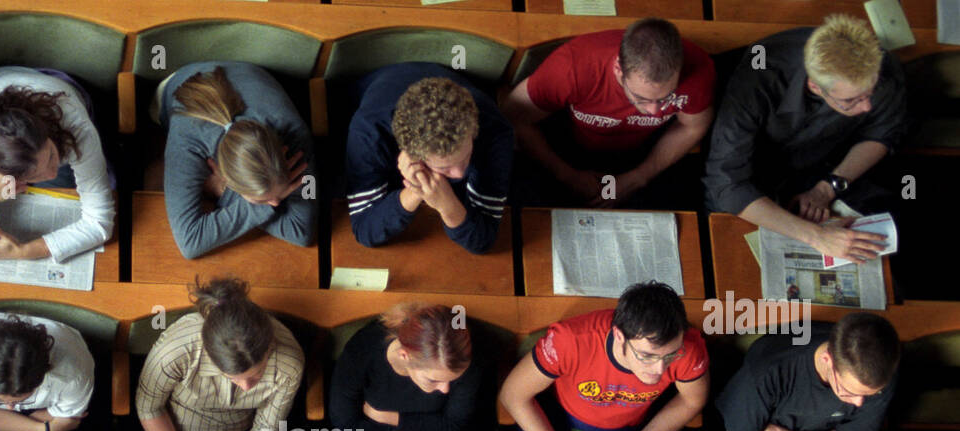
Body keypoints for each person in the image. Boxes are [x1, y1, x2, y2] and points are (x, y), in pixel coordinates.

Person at [703, 15, 907, 264]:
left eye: (870, 94)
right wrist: (817, 236)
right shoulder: (759, 76)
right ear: (815, 87)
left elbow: (882, 133)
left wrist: (826, 189)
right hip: (750, 166)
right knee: (731, 253)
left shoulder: (879, 68)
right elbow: (726, 183)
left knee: (881, 235)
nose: (866, 107)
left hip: (826, 165)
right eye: (851, 101)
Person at [499, 281, 708, 431]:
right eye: (646, 356)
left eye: (670, 355)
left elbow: (692, 401)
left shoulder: (688, 348)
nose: (659, 369)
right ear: (619, 335)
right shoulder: (572, 341)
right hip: (561, 421)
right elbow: (512, 395)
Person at [502, 18, 715, 208]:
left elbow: (692, 125)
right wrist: (566, 174)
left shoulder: (698, 69)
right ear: (618, 70)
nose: (654, 111)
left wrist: (639, 176)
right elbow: (514, 116)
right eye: (642, 99)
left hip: (642, 152)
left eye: (665, 97)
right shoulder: (573, 68)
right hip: (567, 146)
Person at [135, 276, 304, 431]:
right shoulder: (176, 351)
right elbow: (149, 408)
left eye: (257, 374)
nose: (246, 387)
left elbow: (265, 427)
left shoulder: (289, 363)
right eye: (232, 378)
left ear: (269, 348)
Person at [345, 63, 513, 254]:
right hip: (370, 96)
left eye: (465, 157)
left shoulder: (496, 131)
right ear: (410, 155)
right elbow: (365, 229)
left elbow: (484, 238)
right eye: (445, 168)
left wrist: (447, 205)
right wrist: (416, 191)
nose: (459, 173)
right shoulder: (368, 134)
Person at [0, 68, 115, 264]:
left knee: (63, 184)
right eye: (32, 175)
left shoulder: (77, 129)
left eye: (50, 157)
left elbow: (99, 222)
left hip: (64, 97)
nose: (51, 173)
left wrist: (25, 251)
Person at [158, 62, 316, 259]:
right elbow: (190, 242)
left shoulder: (297, 136)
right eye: (264, 200)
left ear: (284, 154)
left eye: (276, 195)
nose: (275, 203)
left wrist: (222, 191)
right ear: (229, 177)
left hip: (252, 72)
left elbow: (301, 232)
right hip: (181, 88)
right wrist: (243, 199)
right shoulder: (187, 139)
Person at [716, 312, 899, 431]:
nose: (859, 403)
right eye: (848, 391)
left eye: (872, 394)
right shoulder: (767, 373)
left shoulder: (879, 372)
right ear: (827, 360)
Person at [328, 302, 489, 431]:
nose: (444, 390)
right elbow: (344, 420)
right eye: (433, 380)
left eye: (453, 381)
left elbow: (454, 424)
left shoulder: (460, 358)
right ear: (404, 356)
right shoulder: (365, 349)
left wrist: (388, 418)